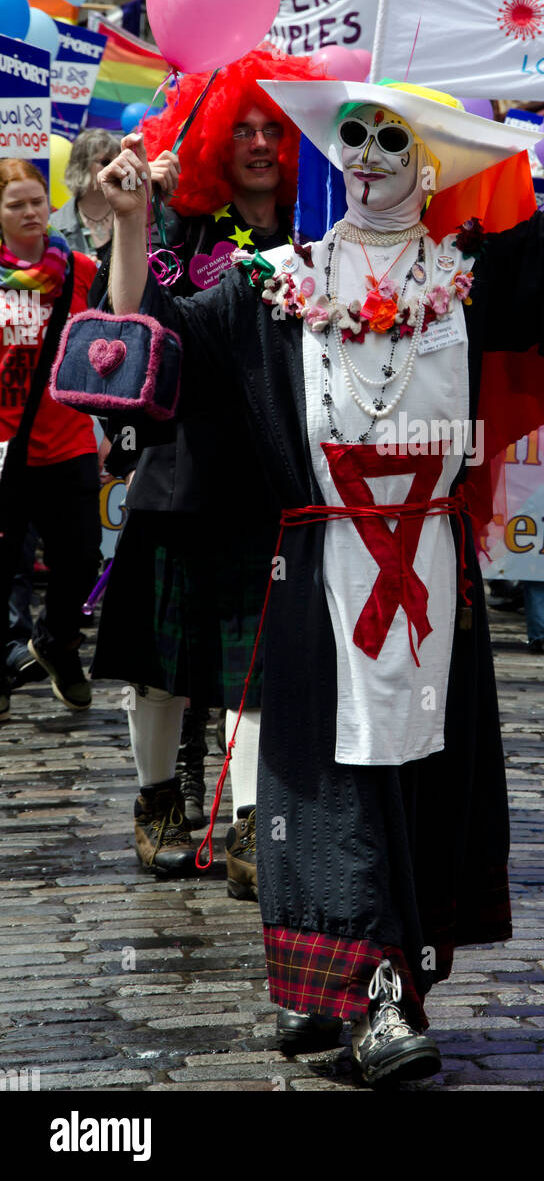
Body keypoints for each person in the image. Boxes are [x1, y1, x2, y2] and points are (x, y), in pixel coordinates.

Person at [100, 3, 544, 1086]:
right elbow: (145, 325)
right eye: (353, 134)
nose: (371, 155)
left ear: (428, 167)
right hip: (316, 575)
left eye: (395, 138)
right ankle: (354, 990)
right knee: (324, 782)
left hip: (431, 576)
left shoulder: (469, 278)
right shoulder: (275, 286)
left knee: (411, 779)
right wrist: (127, 221)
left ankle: (380, 982)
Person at [89, 48, 319, 888]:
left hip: (272, 477)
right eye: (244, 128)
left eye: (274, 128)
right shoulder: (184, 230)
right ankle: (157, 809)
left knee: (250, 666)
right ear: (220, 139)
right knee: (160, 664)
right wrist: (128, 219)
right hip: (178, 469)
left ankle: (253, 828)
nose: (259, 143)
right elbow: (132, 319)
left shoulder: (317, 229)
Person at [0, 158, 102, 718]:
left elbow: (108, 351)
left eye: (37, 200)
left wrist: (107, 428)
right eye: (16, 204)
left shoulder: (81, 270)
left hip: (69, 440)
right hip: (4, 449)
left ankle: (59, 643)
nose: (31, 212)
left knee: (81, 561)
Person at [50, 129, 122, 261]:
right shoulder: (53, 225)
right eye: (106, 162)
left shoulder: (132, 215)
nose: (116, 168)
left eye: (119, 162)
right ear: (81, 164)